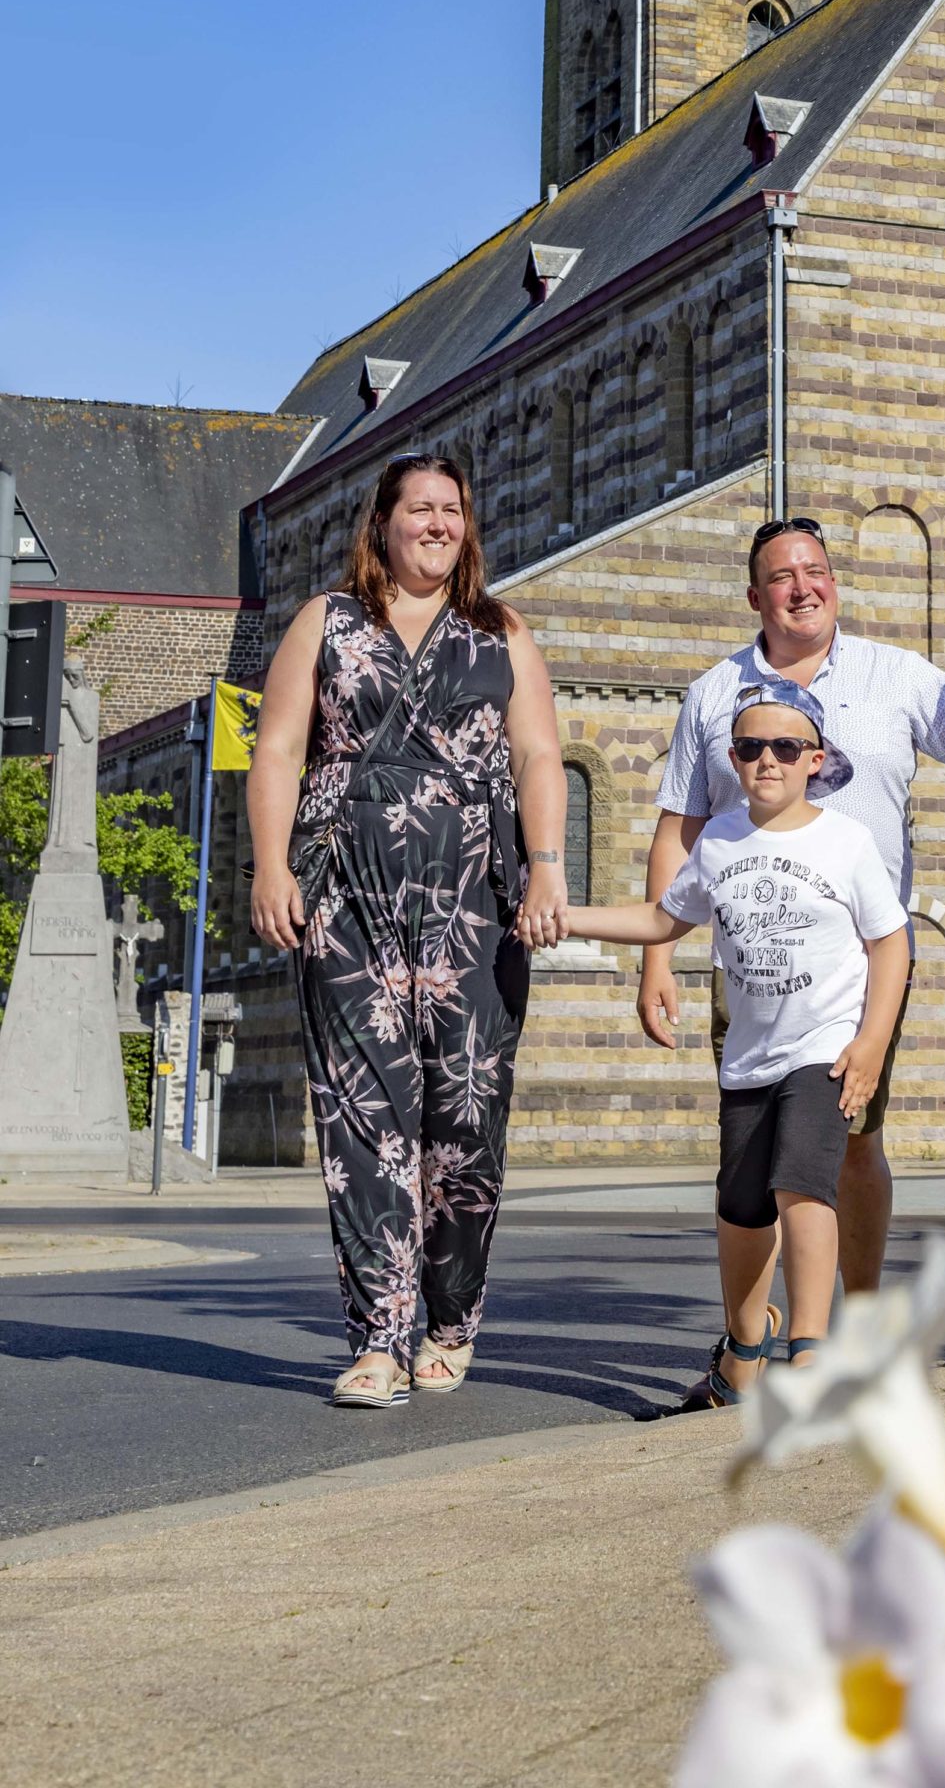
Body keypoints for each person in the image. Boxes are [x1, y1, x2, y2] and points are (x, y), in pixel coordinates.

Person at [248, 453, 580, 1408]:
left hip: (474, 898)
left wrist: (547, 867)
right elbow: (276, 749)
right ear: (382, 523)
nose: (437, 522)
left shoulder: (500, 632)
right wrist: (273, 866)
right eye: (419, 508)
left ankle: (451, 1316)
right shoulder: (327, 621)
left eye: (453, 510)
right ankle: (378, 1340)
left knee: (464, 1120)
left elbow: (539, 753)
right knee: (363, 1115)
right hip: (347, 892)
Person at [637, 513, 945, 1342]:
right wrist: (656, 965)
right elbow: (679, 830)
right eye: (783, 576)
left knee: (847, 1145)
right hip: (752, 966)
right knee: (755, 1168)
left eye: (815, 570)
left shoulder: (898, 677)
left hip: (861, 968)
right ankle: (753, 1342)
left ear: (833, 581)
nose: (802, 586)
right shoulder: (714, 694)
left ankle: (841, 1327)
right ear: (756, 596)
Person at [555, 687, 910, 1404]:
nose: (766, 760)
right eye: (750, 748)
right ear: (732, 760)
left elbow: (891, 943)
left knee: (801, 1184)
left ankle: (809, 1352)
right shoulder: (718, 838)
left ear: (815, 761)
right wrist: (563, 917)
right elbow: (662, 919)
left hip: (827, 1046)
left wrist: (871, 1042)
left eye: (784, 747)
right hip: (749, 1056)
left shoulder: (845, 842)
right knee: (740, 1205)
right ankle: (745, 1348)